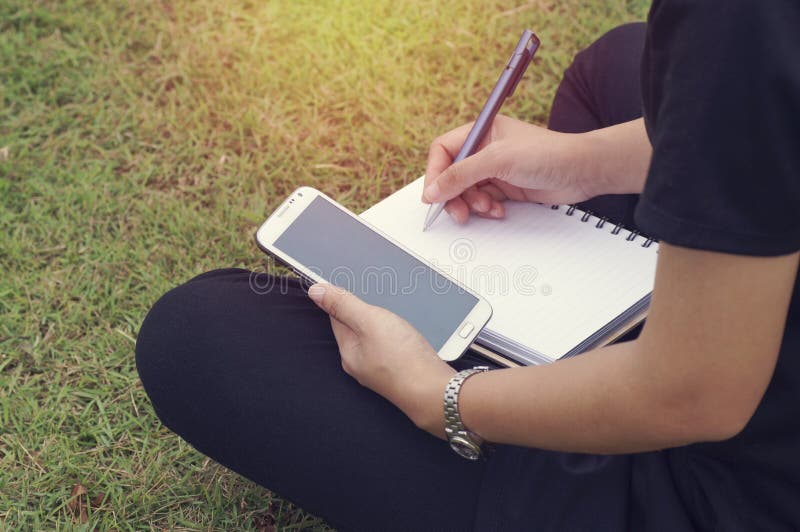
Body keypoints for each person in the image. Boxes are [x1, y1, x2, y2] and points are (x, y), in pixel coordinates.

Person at [135, 2, 800, 530]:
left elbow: (691, 396)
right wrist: (581, 163)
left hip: (731, 488)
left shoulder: (737, 20)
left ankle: (553, 374)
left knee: (197, 337)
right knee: (616, 65)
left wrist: (443, 398)